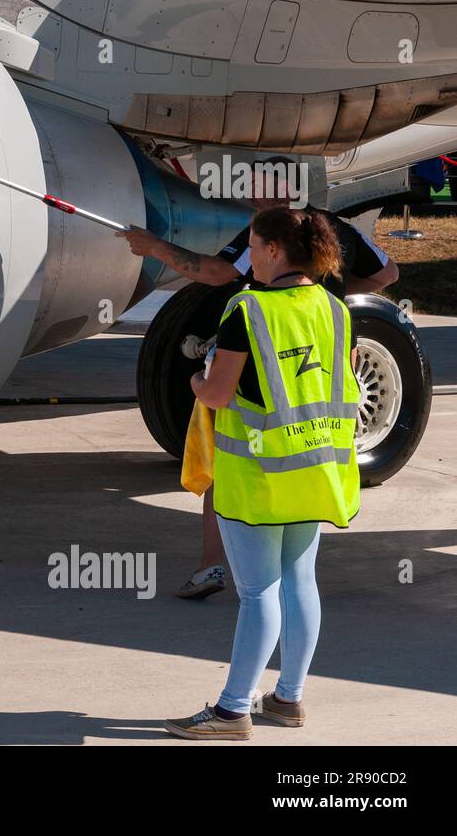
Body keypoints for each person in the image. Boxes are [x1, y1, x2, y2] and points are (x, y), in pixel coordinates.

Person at [118, 163, 396, 600]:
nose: (253, 196)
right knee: (303, 456)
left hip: (264, 360)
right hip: (318, 365)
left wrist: (154, 247)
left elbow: (212, 273)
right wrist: (326, 292)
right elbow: (386, 275)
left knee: (223, 460)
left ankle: (216, 565)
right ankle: (289, 573)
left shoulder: (273, 237)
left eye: (263, 188)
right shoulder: (334, 231)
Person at [163, 207, 360, 740]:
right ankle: (288, 699)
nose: (248, 256)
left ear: (274, 250)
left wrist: (196, 384)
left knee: (257, 594)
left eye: (252, 245)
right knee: (301, 584)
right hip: (316, 468)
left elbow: (221, 392)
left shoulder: (246, 310)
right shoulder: (332, 305)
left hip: (258, 474)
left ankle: (231, 712)